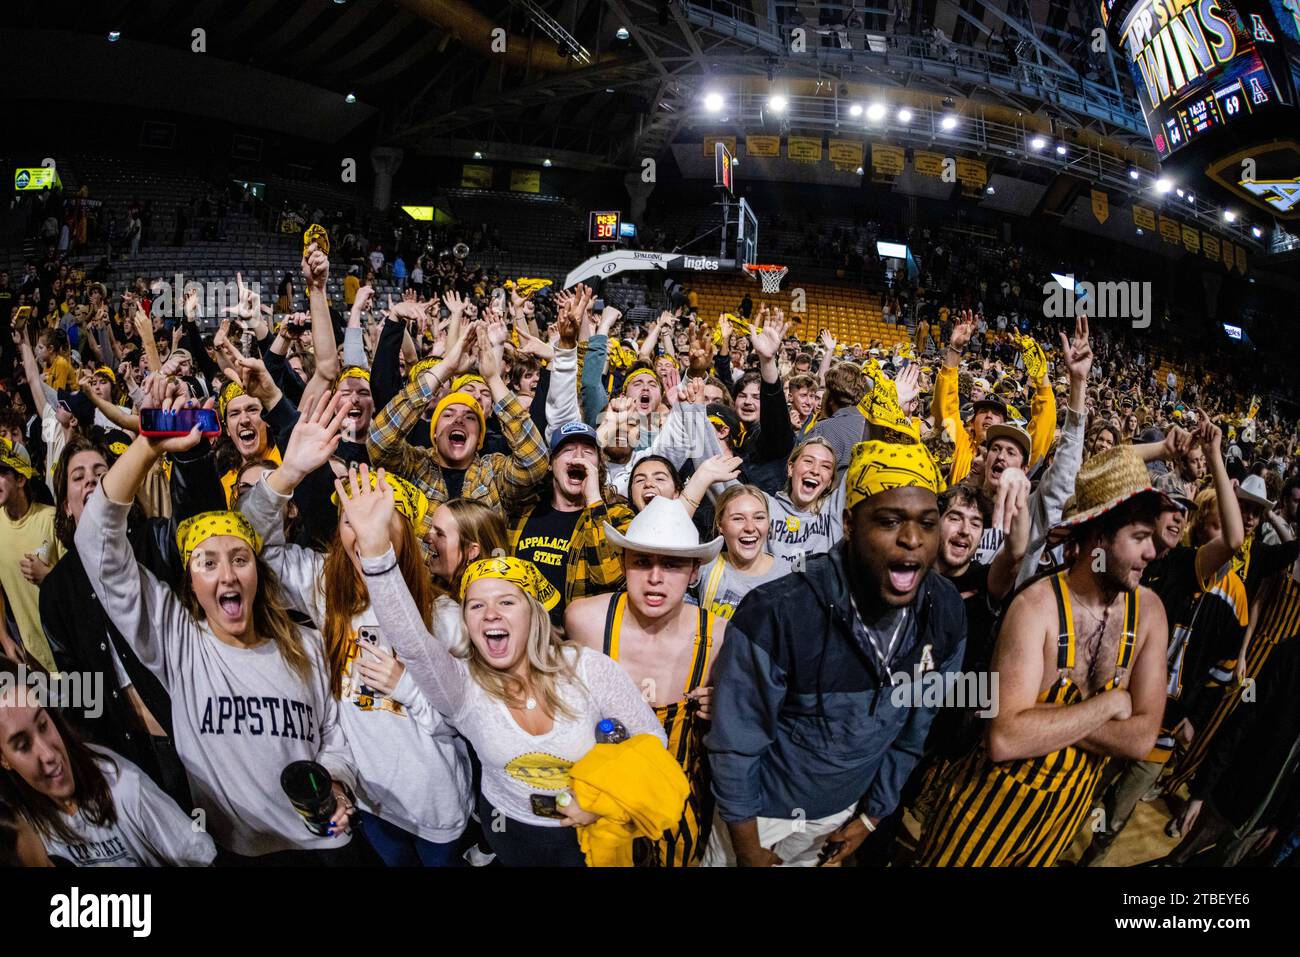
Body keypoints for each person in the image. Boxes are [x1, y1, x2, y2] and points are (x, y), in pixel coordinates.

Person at [74, 397, 361, 862]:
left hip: (324, 847)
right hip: (235, 853)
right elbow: (96, 541)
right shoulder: (177, 640)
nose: (226, 575)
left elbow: (333, 734)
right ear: (190, 581)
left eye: (239, 559)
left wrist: (335, 781)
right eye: (207, 563)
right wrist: (149, 446)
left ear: (257, 572)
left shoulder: (304, 642)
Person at [336, 468, 667, 867]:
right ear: (467, 621)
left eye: (507, 602)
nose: (491, 613)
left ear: (533, 614)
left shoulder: (587, 668)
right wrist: (376, 553)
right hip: (507, 831)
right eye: (476, 605)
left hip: (588, 836)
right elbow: (414, 644)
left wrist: (603, 798)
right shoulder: (464, 687)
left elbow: (652, 739)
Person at [704, 440, 965, 866]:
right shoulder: (778, 612)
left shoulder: (947, 612)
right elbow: (736, 745)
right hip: (757, 817)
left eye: (927, 522)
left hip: (841, 816)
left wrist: (872, 817)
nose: (913, 539)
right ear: (848, 524)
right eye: (889, 520)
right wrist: (747, 846)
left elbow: (915, 730)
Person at [239, 394, 472, 866]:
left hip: (436, 805)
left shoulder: (445, 615)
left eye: (379, 519)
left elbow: (470, 721)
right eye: (349, 518)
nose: (363, 531)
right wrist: (286, 475)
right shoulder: (326, 590)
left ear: (406, 534)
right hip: (373, 803)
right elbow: (252, 548)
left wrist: (407, 685)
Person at [917, 445, 1171, 866]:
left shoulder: (1150, 613)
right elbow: (1004, 739)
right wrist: (1110, 703)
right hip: (984, 814)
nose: (1152, 553)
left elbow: (1142, 739)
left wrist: (1041, 719)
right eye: (1140, 538)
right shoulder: (1036, 607)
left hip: (1058, 826)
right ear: (1098, 537)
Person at [566, 495, 728, 866]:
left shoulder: (718, 636)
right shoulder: (587, 621)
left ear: (694, 572)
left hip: (679, 806)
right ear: (624, 563)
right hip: (598, 804)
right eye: (642, 562)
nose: (655, 578)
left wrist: (728, 707)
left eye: (671, 565)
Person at [0, 658, 216, 867]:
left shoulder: (126, 789)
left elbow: (203, 859)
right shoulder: (20, 825)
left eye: (43, 724)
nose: (48, 754)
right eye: (23, 745)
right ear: (3, 758)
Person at [367, 319, 548, 509]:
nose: (459, 419)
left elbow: (534, 461)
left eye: (470, 417)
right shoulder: (415, 465)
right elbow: (380, 440)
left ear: (479, 436)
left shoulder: (494, 474)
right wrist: (447, 367)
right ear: (434, 431)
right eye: (448, 414)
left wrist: (493, 378)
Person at [506, 422, 634, 620]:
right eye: (568, 450)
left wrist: (593, 499)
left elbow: (608, 579)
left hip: (576, 643)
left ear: (598, 465)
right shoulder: (522, 513)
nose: (578, 458)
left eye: (588, 452)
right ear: (550, 464)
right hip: (521, 633)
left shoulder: (618, 517)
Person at [0, 437, 61, 672]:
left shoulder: (51, 519)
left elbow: (80, 583)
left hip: (73, 654)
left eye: (2, 472)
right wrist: (5, 638)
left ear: (21, 479)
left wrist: (48, 575)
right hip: (34, 662)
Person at [692, 484, 785, 620]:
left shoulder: (788, 575)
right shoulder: (706, 565)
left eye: (759, 517)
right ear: (720, 524)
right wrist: (703, 477)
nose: (750, 527)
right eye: (738, 518)